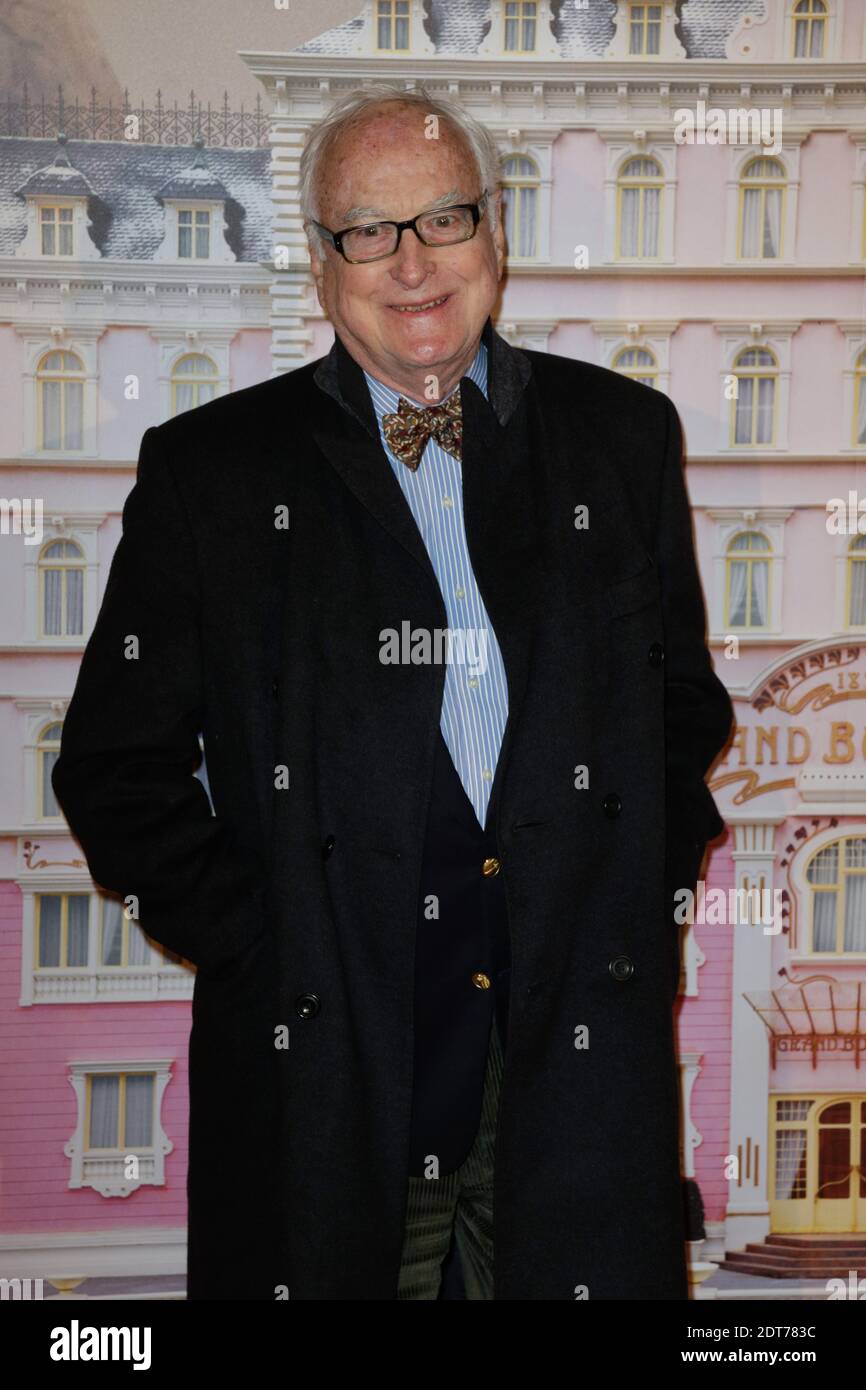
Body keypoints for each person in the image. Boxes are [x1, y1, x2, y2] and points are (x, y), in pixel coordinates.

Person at [52, 83, 733, 1300]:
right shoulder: (211, 474)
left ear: (497, 237)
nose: (412, 264)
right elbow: (113, 766)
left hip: (570, 1071)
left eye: (445, 220)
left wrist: (632, 902)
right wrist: (269, 948)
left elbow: (680, 710)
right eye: (369, 230)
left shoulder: (622, 439)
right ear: (321, 263)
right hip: (330, 1072)